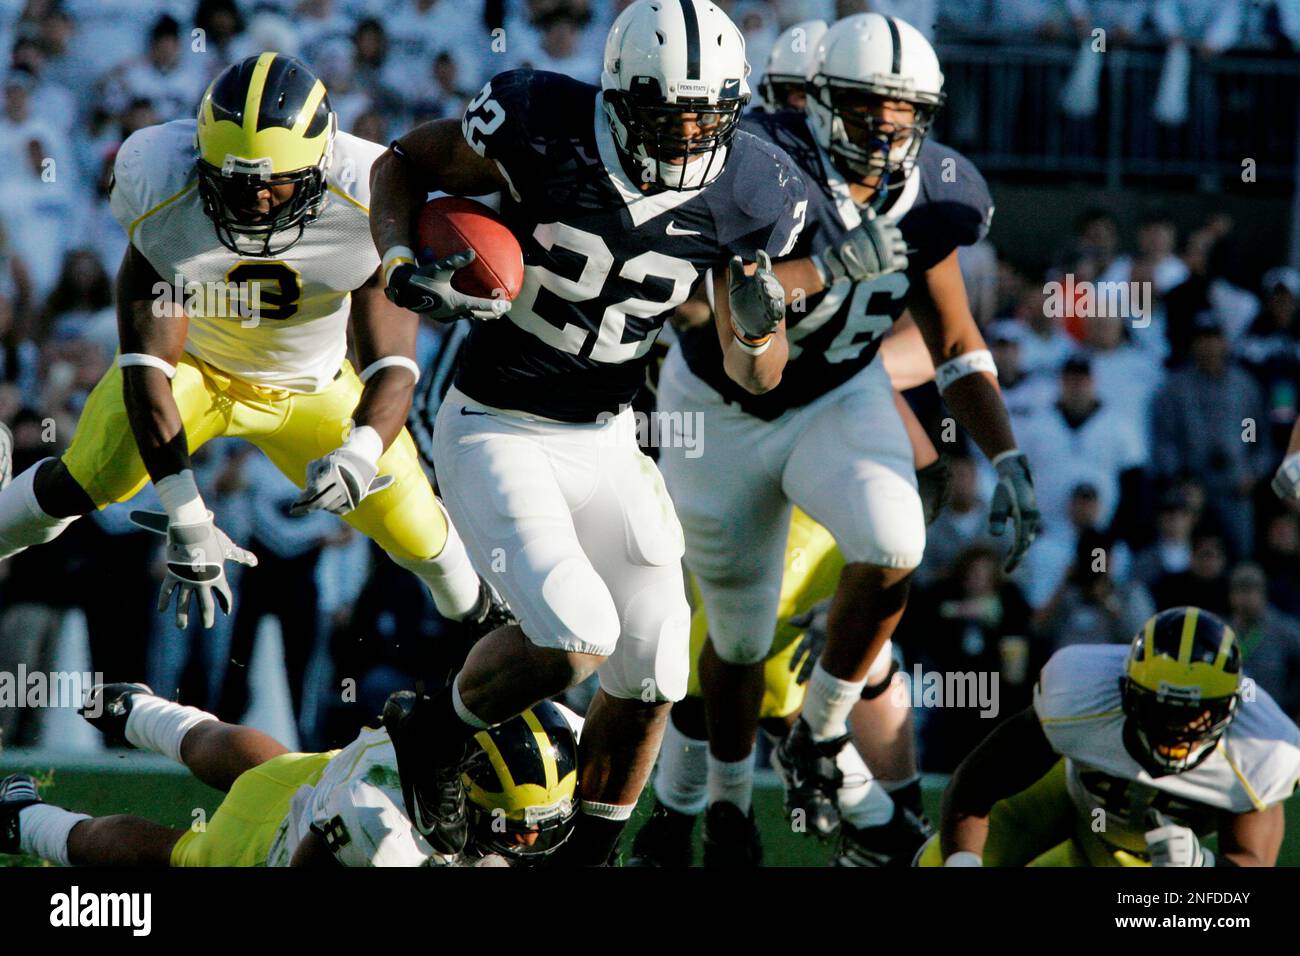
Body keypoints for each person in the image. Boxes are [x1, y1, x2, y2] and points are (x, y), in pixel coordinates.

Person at [369, 0, 808, 864]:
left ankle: (590, 855)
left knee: (656, 671)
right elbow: (403, 161)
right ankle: (434, 730)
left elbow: (759, 374)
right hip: (495, 424)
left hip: (607, 435)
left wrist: (757, 328)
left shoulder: (753, 188)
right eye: (668, 112)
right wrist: (397, 261)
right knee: (575, 636)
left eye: (706, 113)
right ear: (617, 96)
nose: (688, 135)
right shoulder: (538, 121)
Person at [656, 12, 1038, 847]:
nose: (885, 135)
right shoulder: (757, 165)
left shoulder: (940, 187)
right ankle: (718, 804)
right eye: (866, 114)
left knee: (896, 541)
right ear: (817, 104)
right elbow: (741, 337)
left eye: (901, 119)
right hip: (723, 408)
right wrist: (824, 267)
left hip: (836, 393)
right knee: (738, 632)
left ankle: (820, 734)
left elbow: (954, 339)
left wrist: (1006, 453)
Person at [0, 54, 503, 641]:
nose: (256, 201)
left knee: (420, 533)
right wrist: (187, 515)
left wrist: (361, 452)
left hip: (310, 384)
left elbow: (392, 365)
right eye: (236, 182)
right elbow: (146, 366)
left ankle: (485, 620)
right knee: (86, 479)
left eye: (275, 183)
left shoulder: (369, 191)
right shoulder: (160, 178)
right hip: (193, 369)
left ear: (319, 165)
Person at [0, 683, 580, 867]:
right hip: (283, 849)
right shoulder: (386, 832)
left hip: (326, 778)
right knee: (177, 855)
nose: (528, 838)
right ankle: (29, 822)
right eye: (518, 826)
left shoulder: (506, 725)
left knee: (262, 764)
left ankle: (137, 710)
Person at [919, 607, 1300, 866]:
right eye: (1162, 708)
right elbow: (975, 786)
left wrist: (1201, 867)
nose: (1177, 726)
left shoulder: (1262, 750)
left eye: (1195, 713)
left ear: (1229, 708)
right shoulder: (1082, 694)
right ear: (1127, 691)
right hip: (1059, 799)